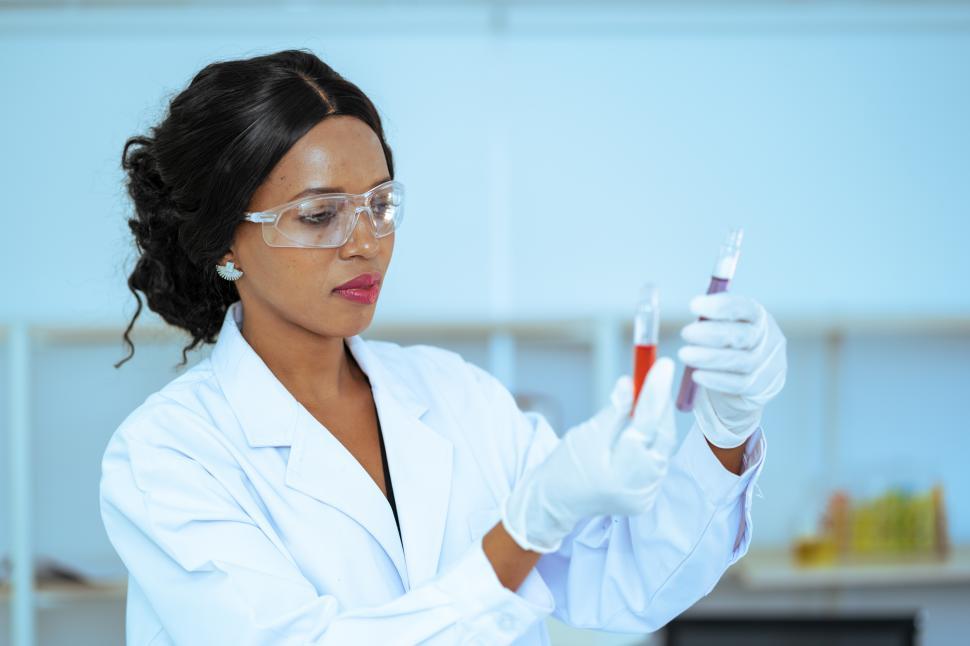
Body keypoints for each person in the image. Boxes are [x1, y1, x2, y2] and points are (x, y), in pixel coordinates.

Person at [100, 48, 787, 645]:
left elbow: (629, 579)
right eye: (319, 216)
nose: (365, 242)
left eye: (380, 205)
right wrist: (524, 528)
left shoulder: (455, 396)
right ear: (225, 242)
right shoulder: (169, 455)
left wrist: (726, 427)